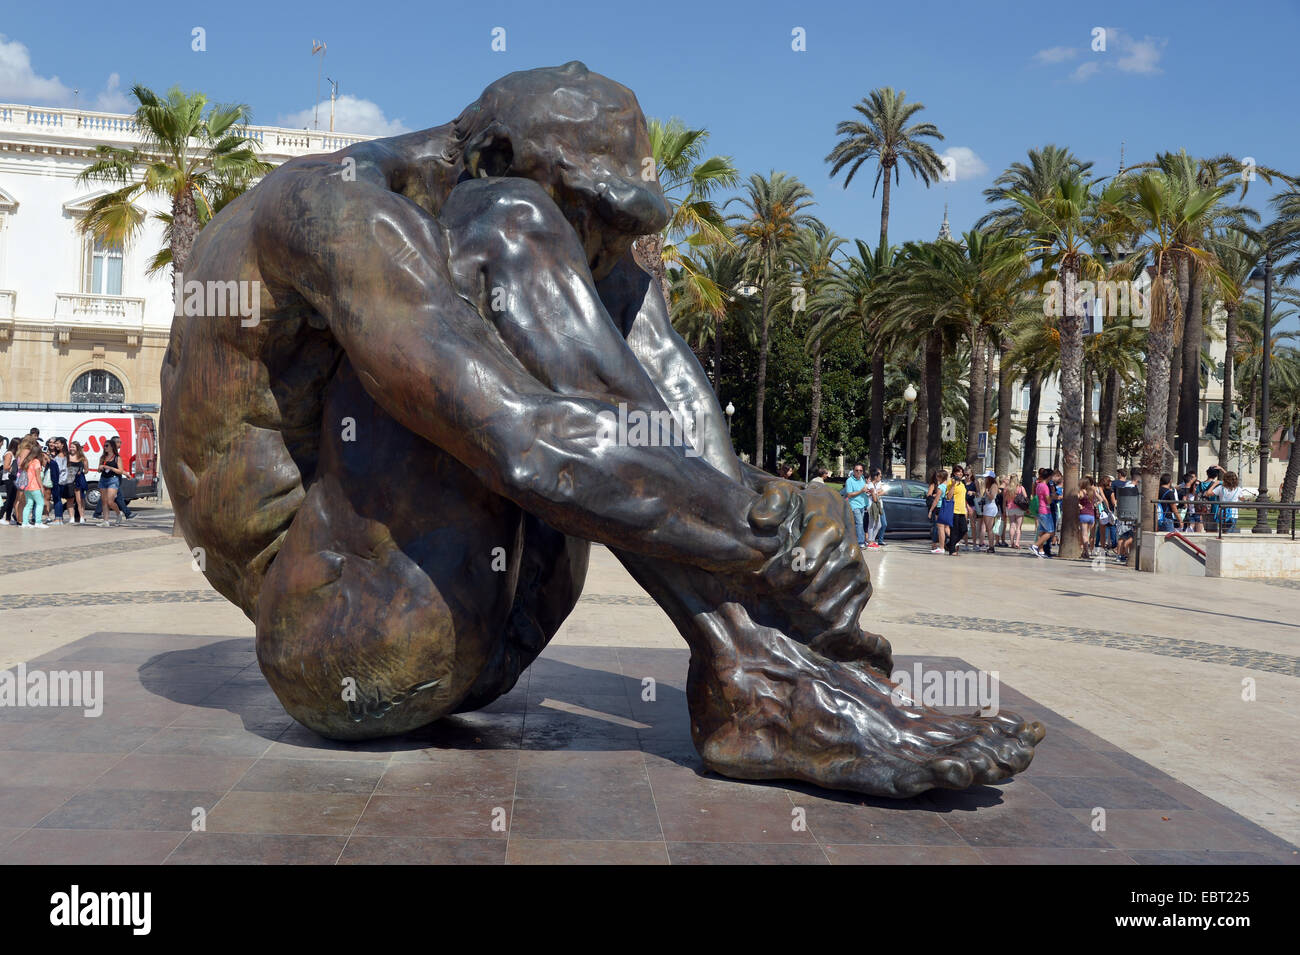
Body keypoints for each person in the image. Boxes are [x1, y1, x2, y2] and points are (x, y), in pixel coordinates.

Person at [96, 440, 128, 526]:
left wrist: (110, 467)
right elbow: (98, 470)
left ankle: (118, 513)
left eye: (107, 446)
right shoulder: (102, 457)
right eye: (104, 446)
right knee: (104, 501)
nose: (105, 447)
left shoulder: (117, 458)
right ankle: (106, 521)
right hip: (103, 479)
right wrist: (100, 468)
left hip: (113, 480)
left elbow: (120, 471)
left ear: (112, 447)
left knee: (110, 501)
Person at [19, 439, 48, 529]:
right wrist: (41, 487)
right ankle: (38, 522)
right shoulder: (36, 462)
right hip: (35, 486)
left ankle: (25, 522)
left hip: (27, 486)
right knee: (40, 503)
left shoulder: (27, 461)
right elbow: (38, 476)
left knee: (28, 504)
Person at [842, 462, 868, 547]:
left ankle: (855, 540)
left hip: (862, 504)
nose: (859, 472)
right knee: (859, 523)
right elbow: (849, 494)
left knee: (859, 524)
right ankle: (860, 542)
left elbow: (864, 491)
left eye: (860, 470)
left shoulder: (863, 479)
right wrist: (861, 491)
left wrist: (868, 491)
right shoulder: (849, 481)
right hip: (854, 505)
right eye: (857, 470)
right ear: (853, 471)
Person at [1031, 467, 1055, 558]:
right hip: (1045, 510)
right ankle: (1035, 545)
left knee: (1042, 531)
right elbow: (1048, 500)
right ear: (1049, 476)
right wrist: (1053, 496)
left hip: (1039, 510)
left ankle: (1041, 551)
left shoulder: (1039, 485)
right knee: (1050, 532)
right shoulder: (1045, 486)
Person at [945, 465, 968, 555]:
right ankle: (952, 550)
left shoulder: (962, 484)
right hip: (954, 510)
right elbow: (948, 497)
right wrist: (953, 485)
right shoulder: (951, 483)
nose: (960, 473)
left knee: (964, 530)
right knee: (954, 531)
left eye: (961, 472)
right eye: (958, 472)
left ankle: (950, 544)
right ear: (954, 473)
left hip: (962, 510)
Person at [65, 441, 88, 524]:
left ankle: (82, 517)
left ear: (77, 448)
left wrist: (80, 472)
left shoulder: (82, 458)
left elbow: (86, 470)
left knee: (80, 500)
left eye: (73, 447)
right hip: (69, 480)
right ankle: (71, 517)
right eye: (70, 447)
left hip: (79, 479)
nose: (71, 448)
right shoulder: (67, 457)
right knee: (70, 499)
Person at [1077, 476, 1098, 559]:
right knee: (1088, 535)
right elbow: (1100, 499)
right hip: (1091, 515)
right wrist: (1094, 505)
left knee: (1084, 535)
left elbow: (1074, 500)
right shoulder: (1092, 491)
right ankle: (1084, 552)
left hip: (1084, 514)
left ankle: (1086, 552)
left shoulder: (1081, 492)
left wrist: (1080, 505)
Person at [1005, 474, 1026, 550]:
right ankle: (1017, 542)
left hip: (1010, 508)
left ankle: (1012, 543)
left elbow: (1006, 499)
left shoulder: (1007, 488)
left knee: (1012, 526)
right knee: (1018, 527)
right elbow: (1026, 497)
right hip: (1019, 508)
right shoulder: (1021, 488)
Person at [926, 469, 945, 553]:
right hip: (939, 507)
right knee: (937, 527)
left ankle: (939, 545)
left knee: (939, 527)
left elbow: (935, 498)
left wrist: (937, 495)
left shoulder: (941, 486)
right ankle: (935, 544)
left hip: (938, 507)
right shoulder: (934, 485)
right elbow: (929, 495)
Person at [1, 438, 19, 525]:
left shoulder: (14, 454)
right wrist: (14, 469)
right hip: (8, 478)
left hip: (13, 478)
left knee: (11, 499)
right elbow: (5, 467)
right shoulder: (9, 454)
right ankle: (3, 516)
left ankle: (8, 518)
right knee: (10, 499)